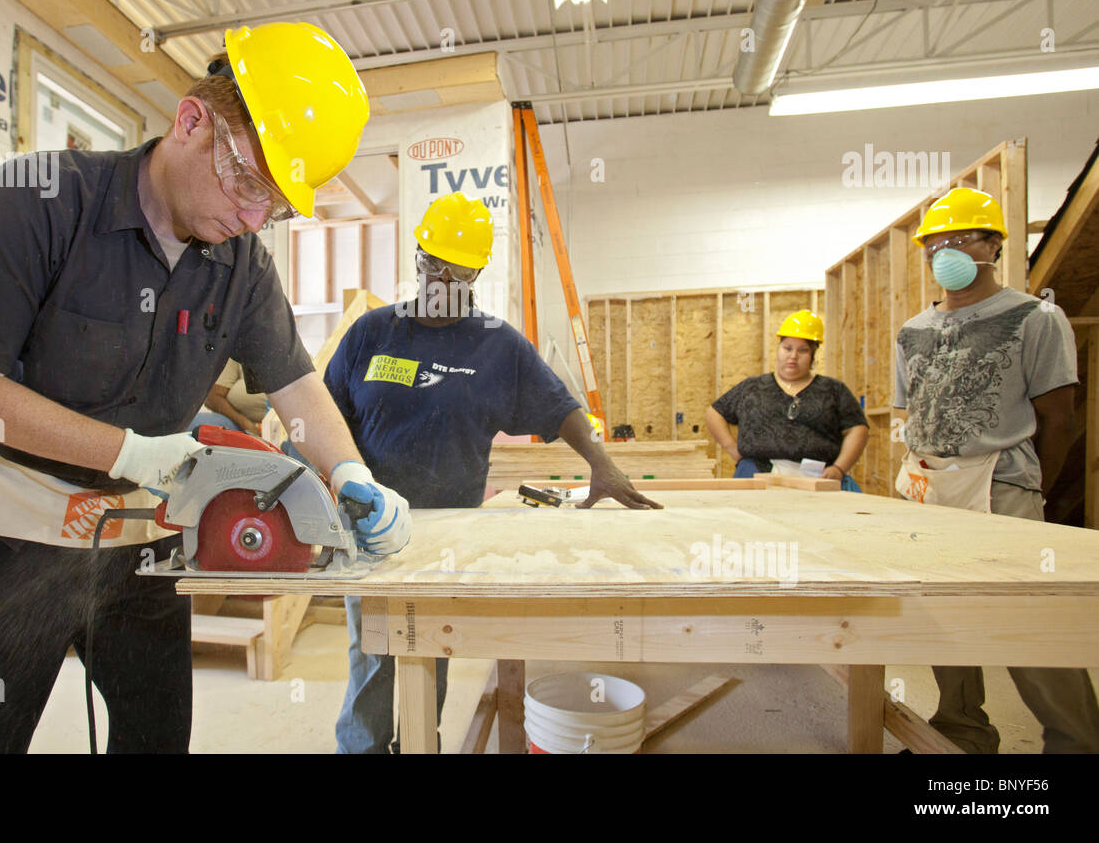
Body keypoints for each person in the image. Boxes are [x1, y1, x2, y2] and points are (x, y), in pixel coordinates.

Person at [0, 21, 412, 753]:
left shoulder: (243, 270)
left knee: (157, 740)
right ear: (191, 120)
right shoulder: (36, 200)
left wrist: (350, 470)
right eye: (245, 182)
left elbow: (298, 388)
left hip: (139, 541)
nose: (251, 217)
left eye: (276, 204)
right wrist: (131, 451)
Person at [325, 192, 662, 753]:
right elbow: (326, 412)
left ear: (477, 271)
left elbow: (559, 406)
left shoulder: (497, 344)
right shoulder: (371, 333)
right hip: (369, 525)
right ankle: (360, 749)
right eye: (432, 264)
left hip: (448, 532)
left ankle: (418, 745)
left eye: (456, 272)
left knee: (427, 656)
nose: (440, 281)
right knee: (371, 657)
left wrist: (602, 465)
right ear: (417, 257)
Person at [894, 186, 1099, 753]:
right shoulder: (913, 331)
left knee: (1029, 625)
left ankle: (1077, 741)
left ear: (993, 246)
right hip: (929, 486)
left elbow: (1057, 419)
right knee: (940, 615)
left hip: (1002, 485)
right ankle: (962, 727)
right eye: (936, 242)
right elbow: (916, 411)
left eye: (962, 238)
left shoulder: (1037, 318)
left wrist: (1030, 491)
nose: (947, 251)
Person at [705, 310, 868, 490]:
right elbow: (715, 412)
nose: (793, 356)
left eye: (803, 350)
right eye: (787, 348)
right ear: (779, 349)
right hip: (756, 473)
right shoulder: (752, 387)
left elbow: (857, 428)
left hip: (815, 478)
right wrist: (732, 449)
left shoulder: (833, 390)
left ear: (813, 354)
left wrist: (839, 468)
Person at [188, 359, 268, 436]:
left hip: (275, 424)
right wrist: (247, 425)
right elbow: (212, 398)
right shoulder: (236, 351)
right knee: (189, 425)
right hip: (242, 424)